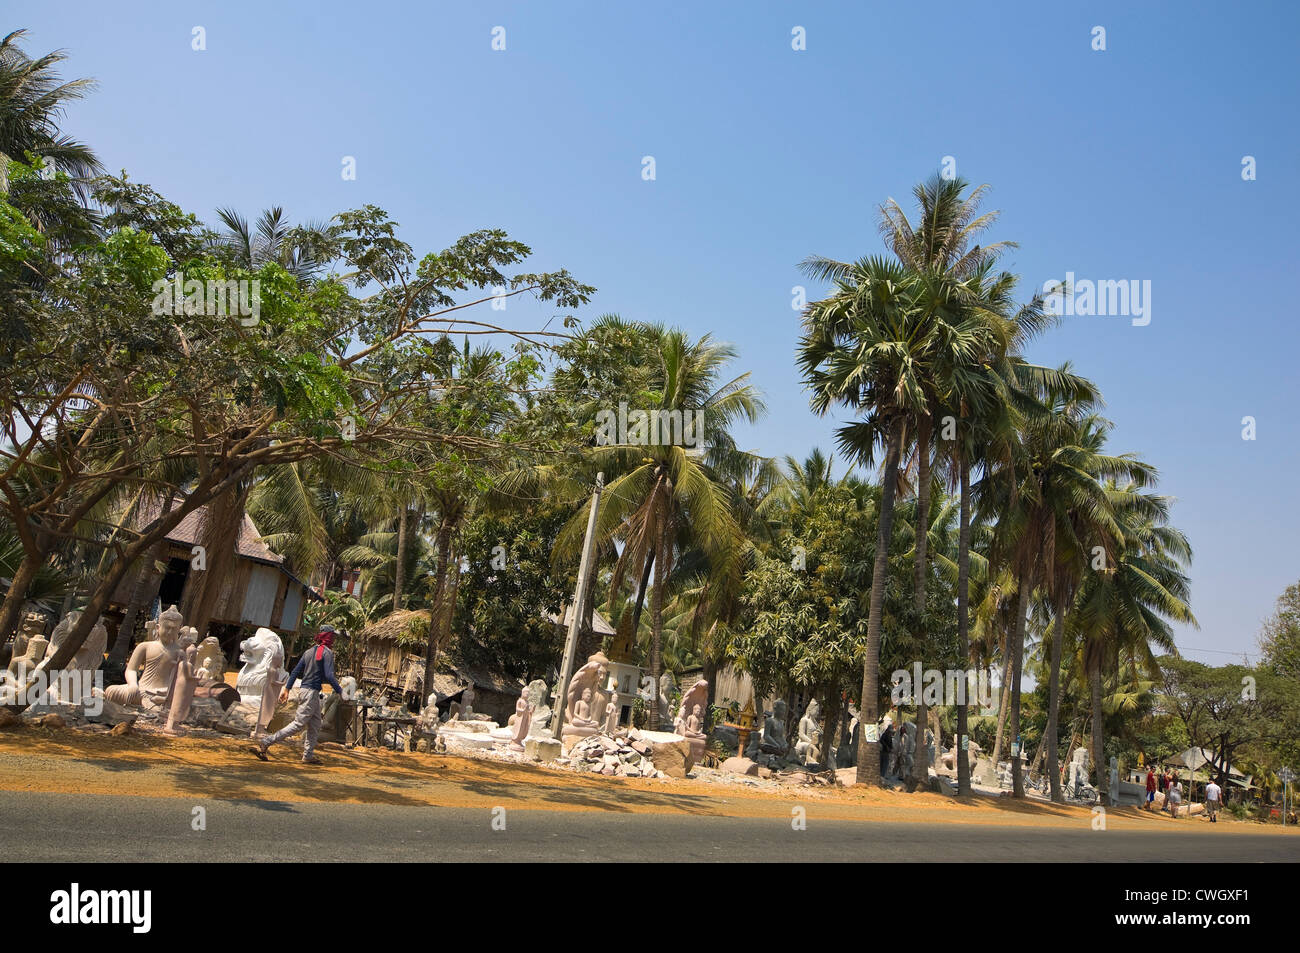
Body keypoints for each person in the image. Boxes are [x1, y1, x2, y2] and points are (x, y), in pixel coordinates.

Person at [250, 625, 343, 764]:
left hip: (306, 691)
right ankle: (266, 742)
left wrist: (287, 689)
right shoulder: (327, 653)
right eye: (333, 636)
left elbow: (295, 672)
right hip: (311, 693)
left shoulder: (309, 652)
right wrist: (341, 691)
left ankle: (308, 755)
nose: (334, 639)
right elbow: (329, 675)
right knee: (298, 724)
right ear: (328, 637)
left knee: (316, 724)